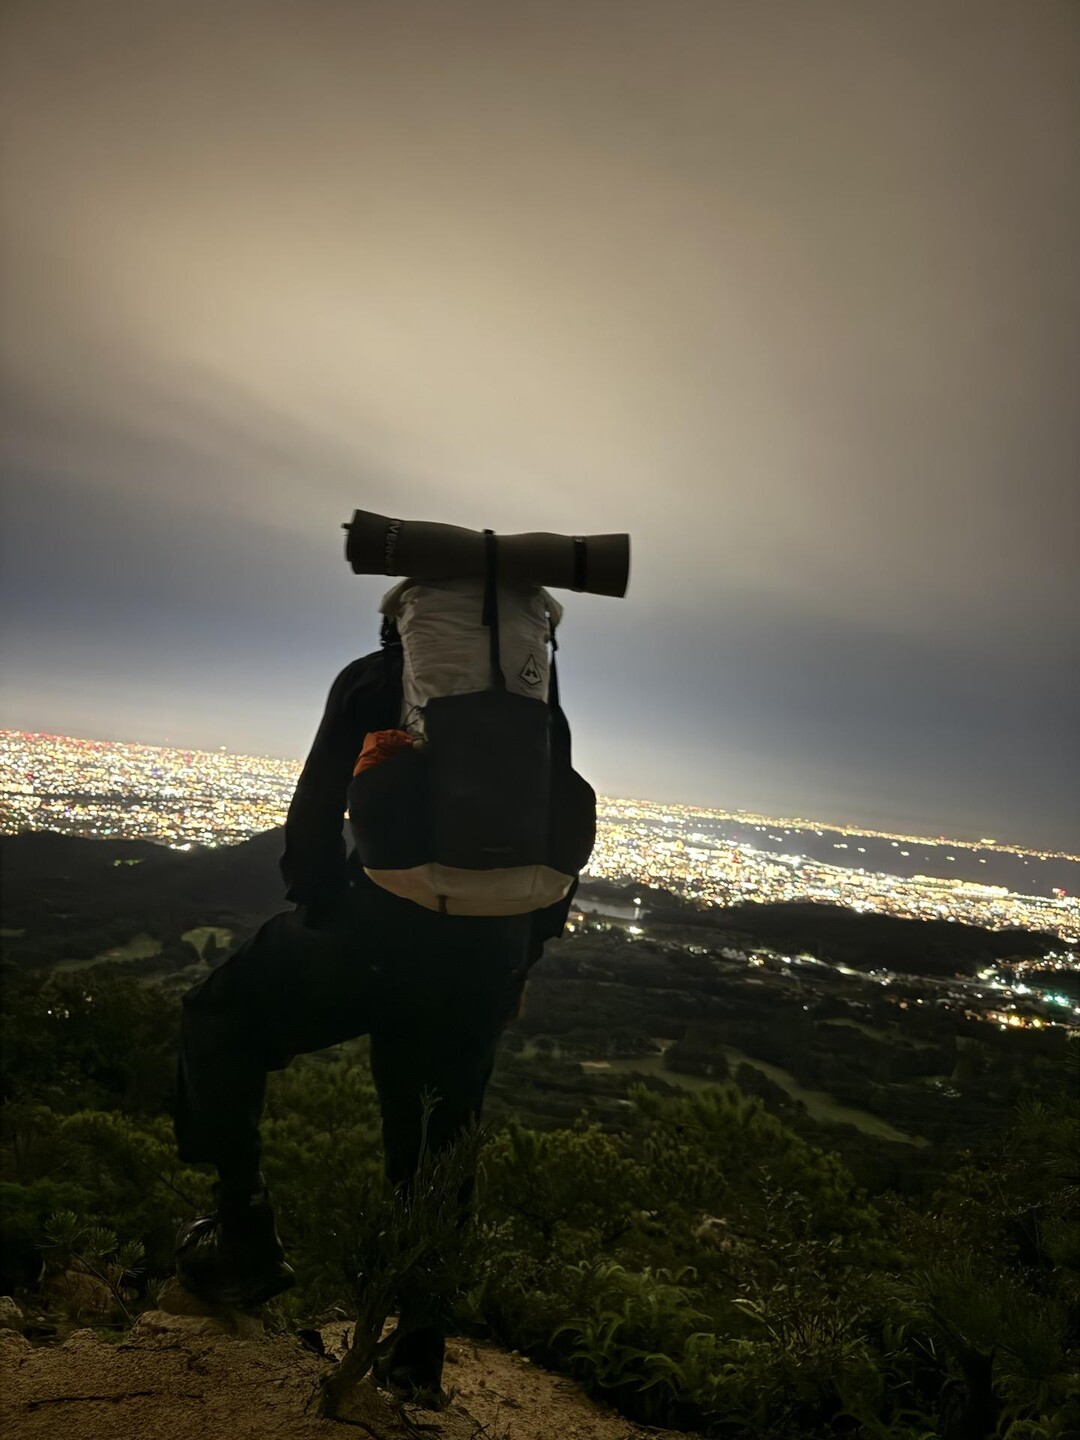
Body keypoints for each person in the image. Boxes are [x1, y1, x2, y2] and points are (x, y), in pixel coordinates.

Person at [172, 629, 575, 1396]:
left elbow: (315, 819)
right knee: (438, 1132)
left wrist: (331, 910)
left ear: (410, 617)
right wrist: (521, 955)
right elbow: (554, 840)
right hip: (490, 952)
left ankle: (243, 1233)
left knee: (219, 1015)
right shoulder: (538, 704)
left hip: (378, 929)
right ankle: (420, 1350)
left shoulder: (375, 678)